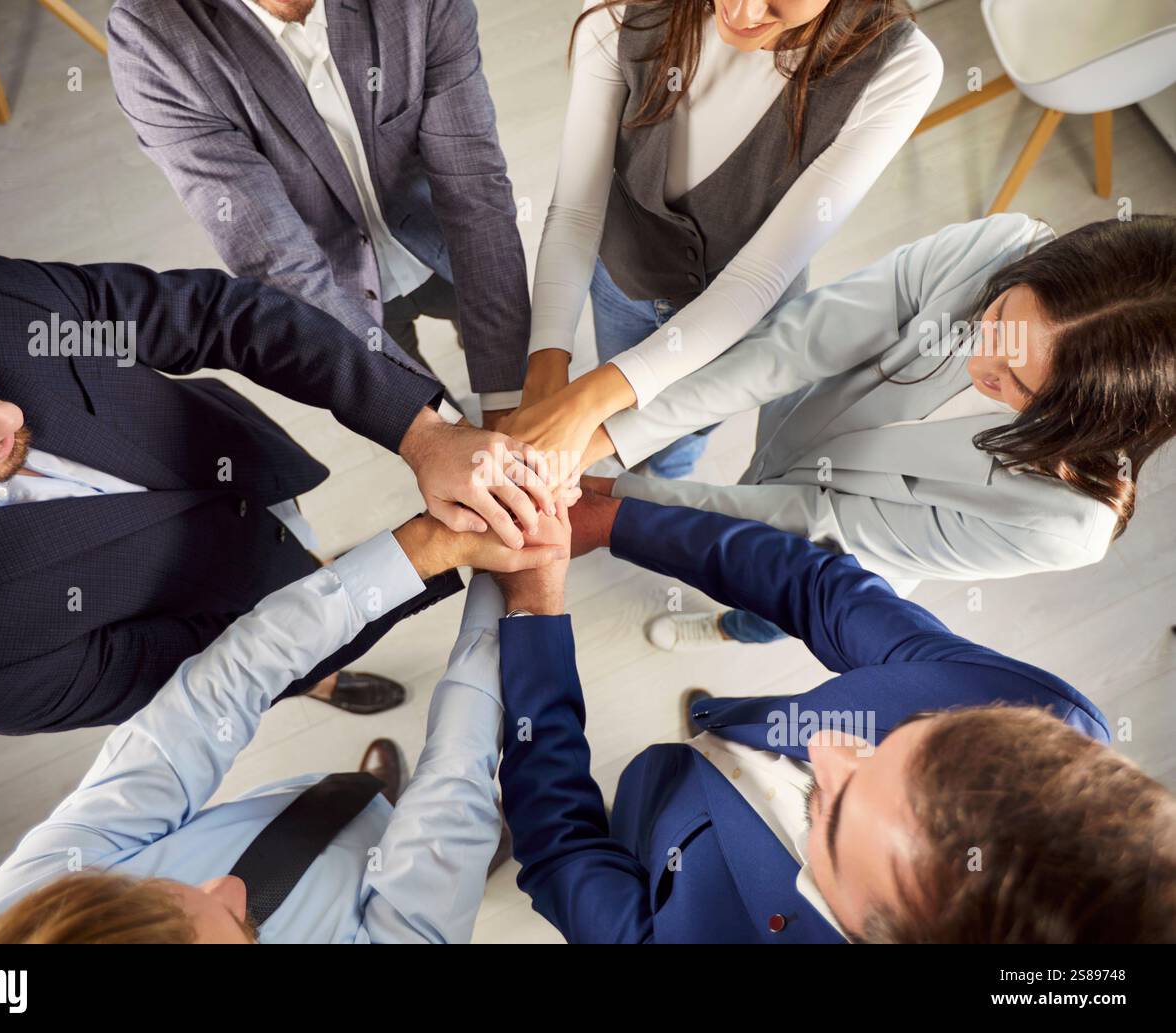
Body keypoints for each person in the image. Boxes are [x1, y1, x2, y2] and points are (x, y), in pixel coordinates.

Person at [0, 253, 552, 733]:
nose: (7, 418)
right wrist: (426, 550)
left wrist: (421, 432)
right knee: (289, 646)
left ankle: (315, 577)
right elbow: (211, 678)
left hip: (245, 465)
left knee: (305, 553)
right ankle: (321, 679)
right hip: (224, 615)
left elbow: (216, 316)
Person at [493, 490, 1176, 943]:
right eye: (910, 734)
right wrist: (614, 521)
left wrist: (532, 612)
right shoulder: (1045, 717)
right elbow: (820, 587)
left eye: (839, 809)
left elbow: (563, 850)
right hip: (684, 775)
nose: (823, 743)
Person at [571, 213, 1176, 650]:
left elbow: (813, 523)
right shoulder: (1004, 247)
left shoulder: (1061, 525)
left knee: (770, 607)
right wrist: (612, 435)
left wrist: (615, 504)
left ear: (1084, 420)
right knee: (741, 477)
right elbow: (797, 344)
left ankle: (725, 630)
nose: (980, 360)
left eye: (1018, 383)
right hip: (797, 431)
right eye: (997, 321)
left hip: (839, 547)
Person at [0, 513, 564, 943]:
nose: (228, 885)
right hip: (422, 885)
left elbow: (212, 695)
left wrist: (432, 546)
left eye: (163, 889)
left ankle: (368, 797)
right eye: (239, 929)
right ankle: (467, 846)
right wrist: (517, 604)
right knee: (455, 841)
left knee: (377, 807)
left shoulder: (32, 920)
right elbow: (456, 779)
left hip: (306, 812)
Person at [502, 0, 942, 478]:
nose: (743, 9)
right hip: (624, 276)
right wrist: (545, 377)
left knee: (679, 438)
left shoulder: (899, 68)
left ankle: (663, 476)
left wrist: (586, 402)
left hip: (743, 311)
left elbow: (756, 278)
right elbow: (575, 209)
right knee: (618, 392)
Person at [107, 0, 538, 425]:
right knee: (420, 400)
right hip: (335, 295)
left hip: (448, 245)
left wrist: (507, 403)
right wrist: (444, 437)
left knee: (498, 352)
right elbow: (277, 259)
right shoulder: (153, 41)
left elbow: (474, 186)